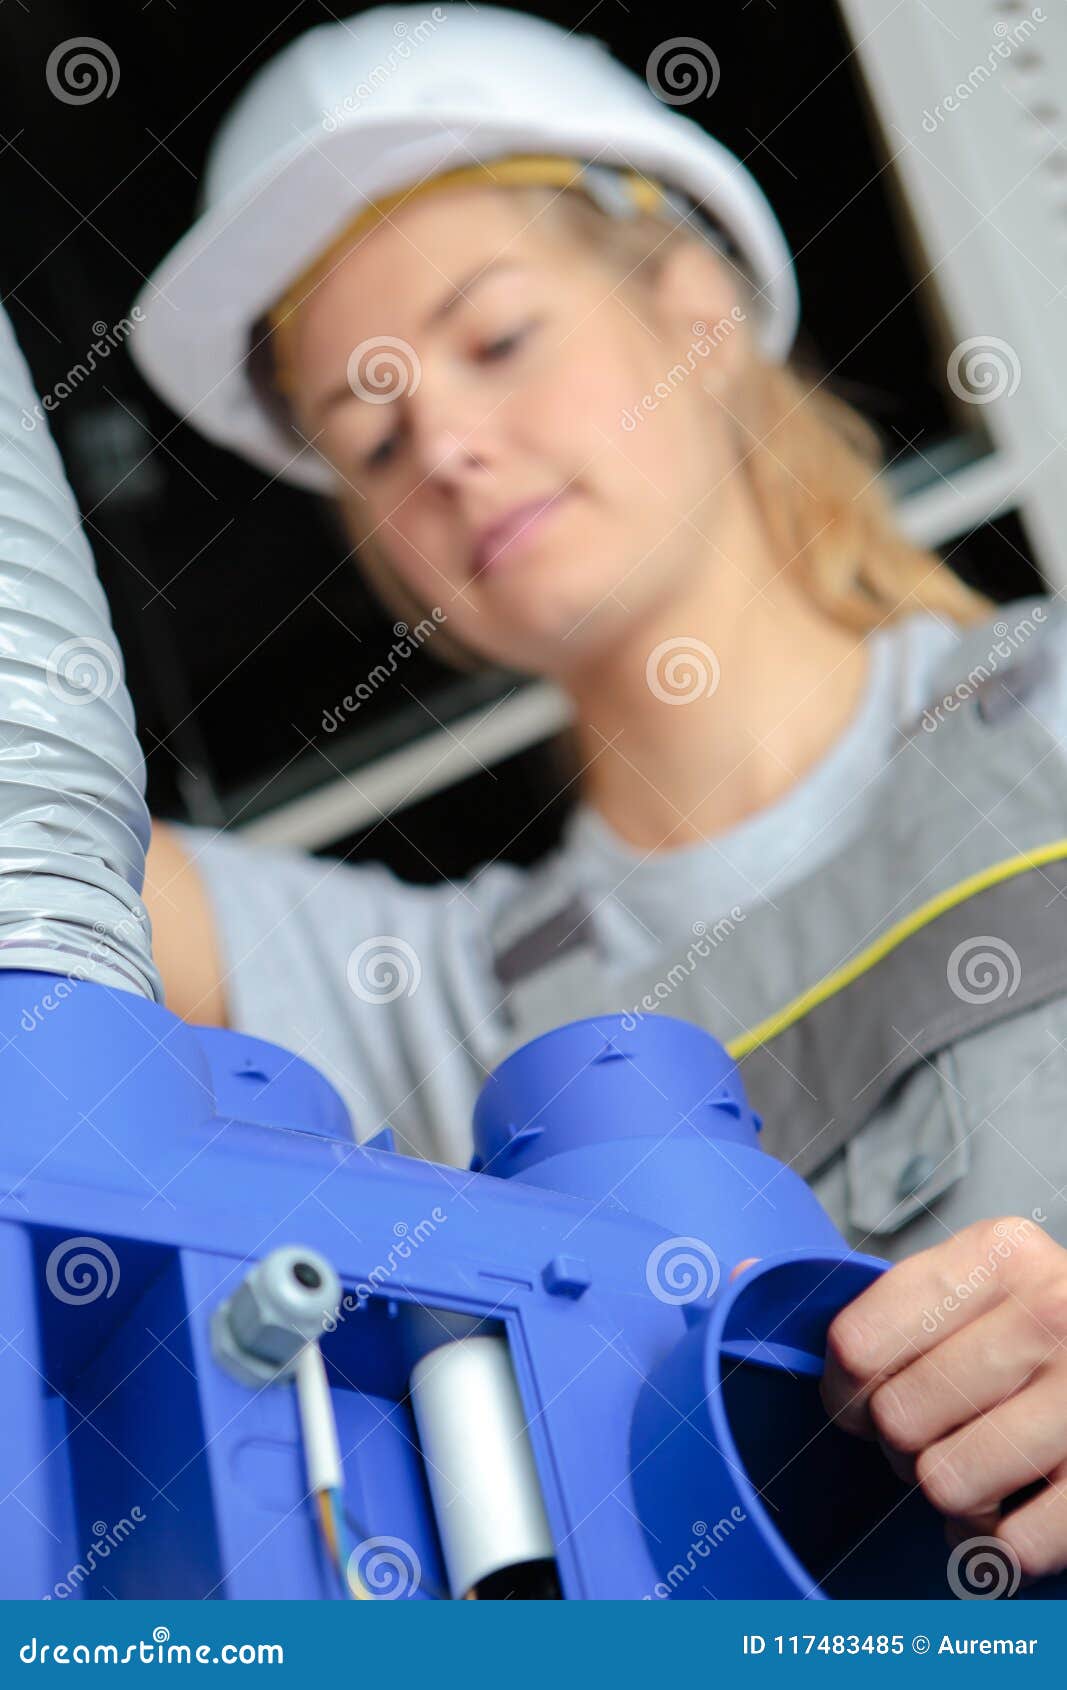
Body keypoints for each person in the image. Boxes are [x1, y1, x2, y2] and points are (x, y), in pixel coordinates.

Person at [121, 8, 1067, 1578]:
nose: (446, 444)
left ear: (695, 300)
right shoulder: (436, 1009)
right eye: (369, 429)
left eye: (496, 339)